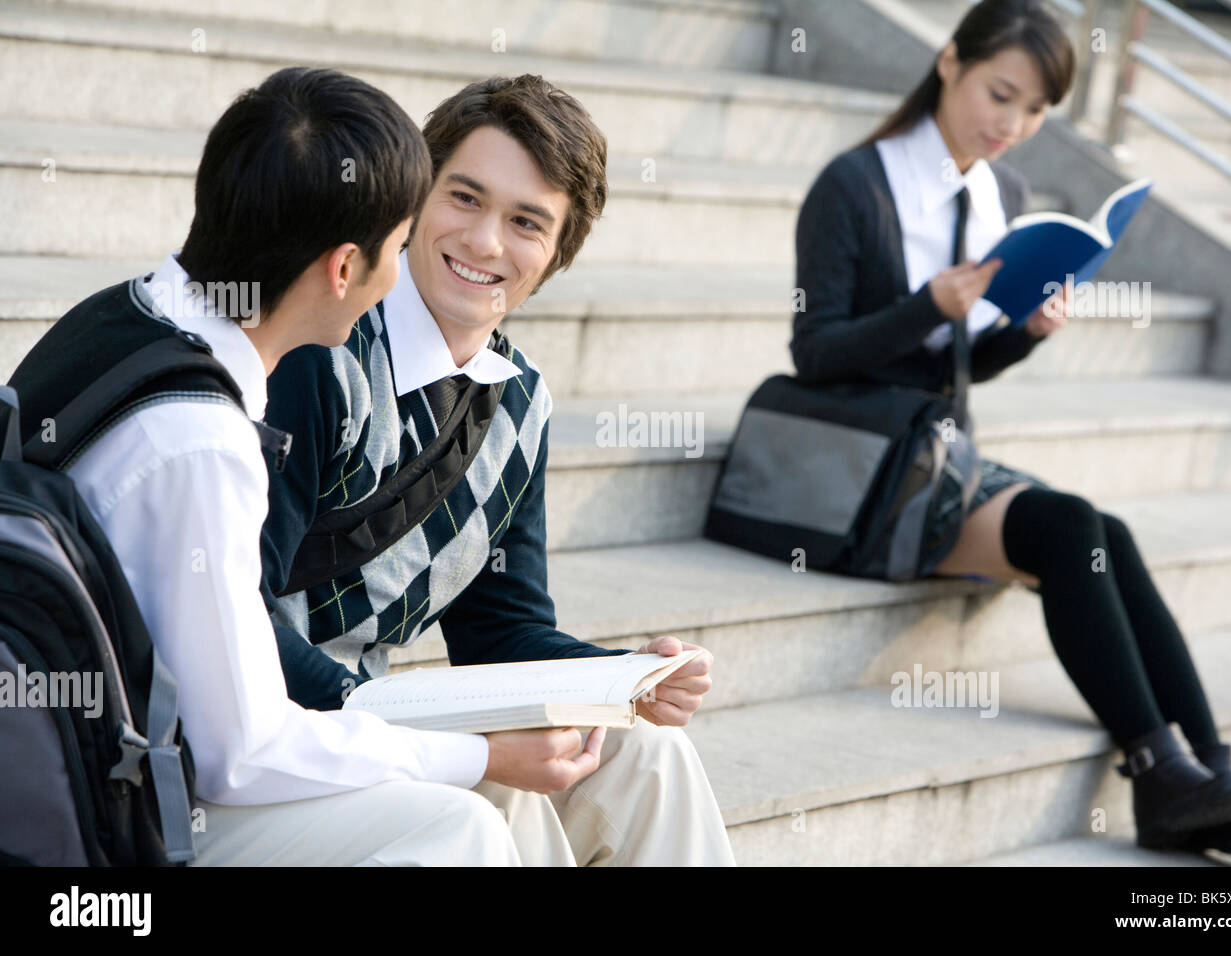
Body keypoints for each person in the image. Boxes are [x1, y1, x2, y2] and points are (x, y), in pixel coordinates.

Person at [8, 66, 575, 866]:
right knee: (462, 823)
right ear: (345, 270)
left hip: (97, 748)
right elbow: (243, 755)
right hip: (121, 812)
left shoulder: (122, 314)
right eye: (400, 237)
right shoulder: (201, 443)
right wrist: (474, 756)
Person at [788, 0, 1231, 858]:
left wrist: (1018, 334)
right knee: (1067, 530)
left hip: (934, 451)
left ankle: (1205, 771)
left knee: (1108, 533)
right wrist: (927, 307)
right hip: (860, 465)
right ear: (948, 62)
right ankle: (1160, 771)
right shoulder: (856, 184)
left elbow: (959, 366)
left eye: (1033, 111)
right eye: (1000, 94)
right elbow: (814, 354)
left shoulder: (1004, 194)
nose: (1012, 125)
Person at [258, 74, 735, 866]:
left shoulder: (520, 403)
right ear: (414, 197)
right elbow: (234, 605)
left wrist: (624, 678)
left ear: (554, 255)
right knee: (505, 786)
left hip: (382, 712)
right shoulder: (322, 348)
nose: (486, 242)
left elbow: (499, 630)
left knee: (647, 751)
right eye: (466, 198)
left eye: (525, 222)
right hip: (288, 718)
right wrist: (386, 715)